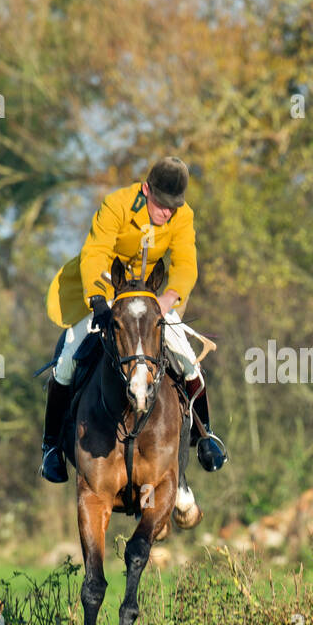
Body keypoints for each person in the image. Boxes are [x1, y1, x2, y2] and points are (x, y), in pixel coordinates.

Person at [39, 156, 228, 485]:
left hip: (151, 300)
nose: (167, 213)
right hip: (107, 290)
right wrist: (97, 298)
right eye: (162, 205)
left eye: (173, 207)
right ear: (146, 190)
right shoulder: (116, 205)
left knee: (188, 362)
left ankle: (206, 436)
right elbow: (95, 252)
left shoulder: (182, 217)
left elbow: (185, 264)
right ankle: (51, 448)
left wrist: (168, 300)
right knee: (67, 360)